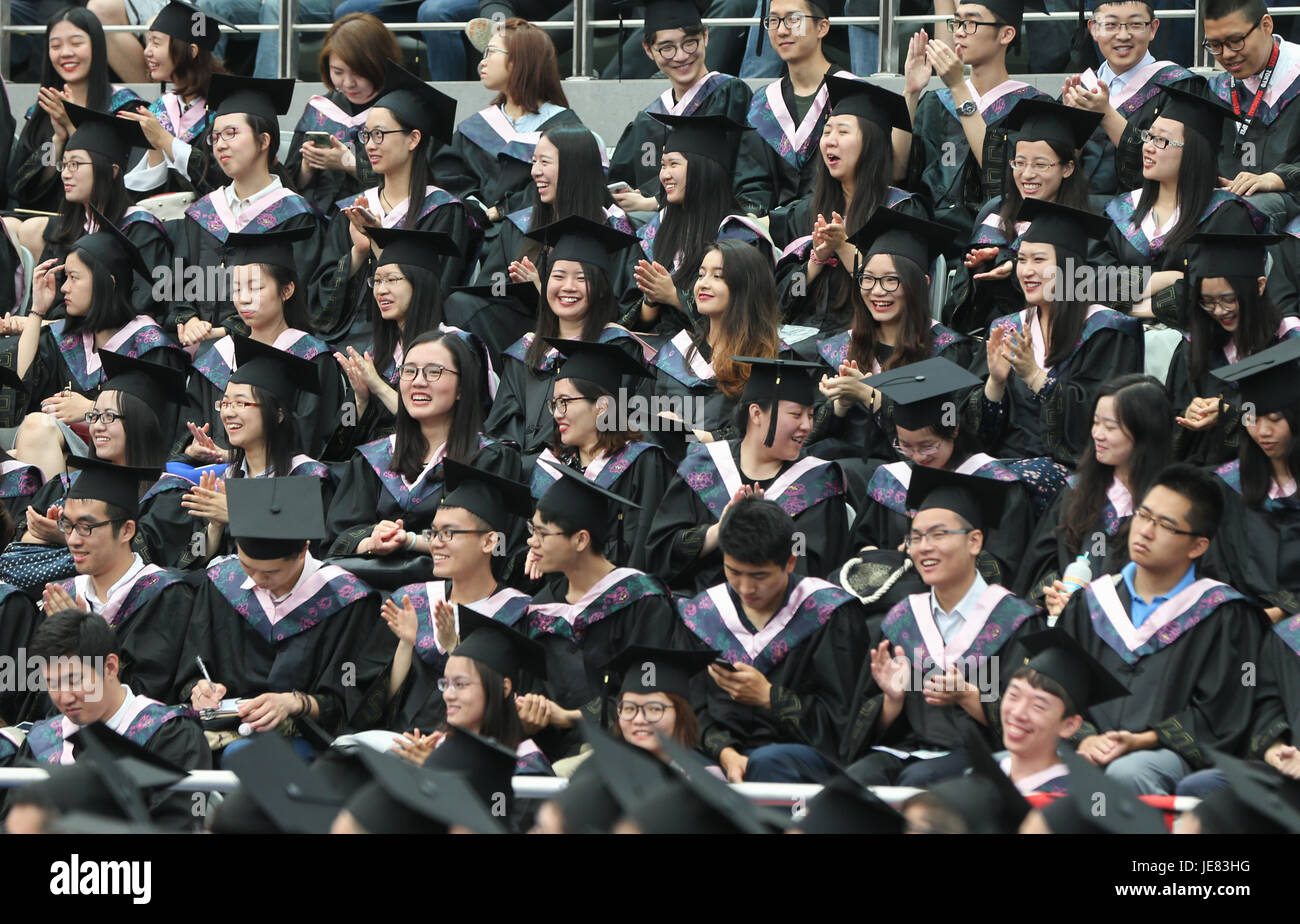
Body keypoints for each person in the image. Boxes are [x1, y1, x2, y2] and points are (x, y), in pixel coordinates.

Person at [1048, 463, 1268, 795]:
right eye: (1144, 515)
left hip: (1162, 753)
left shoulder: (1222, 614)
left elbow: (1222, 712)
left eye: (1165, 525)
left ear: (1197, 546)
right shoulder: (1093, 602)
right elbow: (1059, 686)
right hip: (1086, 741)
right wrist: (1087, 737)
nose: (1146, 531)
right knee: (1019, 762)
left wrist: (1142, 740)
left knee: (1127, 773)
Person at [841, 468, 1044, 788]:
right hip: (902, 751)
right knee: (853, 784)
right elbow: (863, 728)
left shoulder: (1015, 620)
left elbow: (1032, 719)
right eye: (916, 537)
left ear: (974, 541)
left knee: (916, 782)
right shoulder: (901, 620)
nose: (924, 547)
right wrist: (892, 701)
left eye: (938, 535)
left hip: (980, 756)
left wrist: (968, 696)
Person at [179, 476, 383, 764]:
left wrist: (295, 703)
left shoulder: (347, 601)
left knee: (248, 757)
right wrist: (198, 688)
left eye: (271, 573)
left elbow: (350, 700)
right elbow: (192, 664)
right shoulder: (223, 584)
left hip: (302, 736)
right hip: (222, 727)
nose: (257, 581)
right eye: (247, 566)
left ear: (303, 551)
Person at [677, 496, 869, 783]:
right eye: (734, 572)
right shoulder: (703, 614)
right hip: (717, 750)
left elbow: (846, 722)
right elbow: (690, 705)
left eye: (759, 576)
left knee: (766, 763)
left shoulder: (829, 614)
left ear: (790, 562)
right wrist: (726, 753)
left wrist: (770, 698)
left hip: (801, 754)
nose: (745, 588)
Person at [521, 464, 698, 763]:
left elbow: (656, 692)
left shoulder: (641, 600)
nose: (530, 542)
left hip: (626, 752)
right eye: (531, 530)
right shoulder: (541, 608)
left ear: (580, 540)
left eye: (542, 534)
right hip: (554, 753)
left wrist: (573, 717)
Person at [350, 461, 532, 736]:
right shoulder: (411, 602)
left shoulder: (515, 616)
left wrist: (454, 650)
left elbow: (505, 717)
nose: (435, 542)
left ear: (489, 542)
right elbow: (372, 706)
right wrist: (406, 645)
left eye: (448, 533)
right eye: (433, 532)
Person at [644, 356, 850, 593]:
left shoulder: (817, 482)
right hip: (702, 613)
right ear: (756, 414)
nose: (806, 425)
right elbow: (660, 554)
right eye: (796, 414)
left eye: (811, 415)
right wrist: (717, 532)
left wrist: (768, 536)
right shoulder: (703, 467)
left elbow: (817, 564)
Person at [310, 61, 478, 348]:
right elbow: (319, 305)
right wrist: (358, 253)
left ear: (413, 139)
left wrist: (379, 247)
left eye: (379, 134)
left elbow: (437, 295)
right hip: (349, 338)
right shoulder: (351, 211)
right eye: (365, 136)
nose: (369, 146)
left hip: (411, 344)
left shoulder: (444, 212)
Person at [443, 123, 635, 365]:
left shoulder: (614, 230)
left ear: (574, 168)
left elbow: (624, 311)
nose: (535, 171)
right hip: (523, 332)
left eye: (544, 162)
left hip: (587, 341)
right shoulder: (520, 226)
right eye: (534, 162)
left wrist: (542, 289)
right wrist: (516, 288)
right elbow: (491, 290)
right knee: (463, 306)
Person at [10, 208, 186, 466]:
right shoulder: (67, 340)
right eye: (64, 277)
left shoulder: (150, 347)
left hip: (122, 473)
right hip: (68, 463)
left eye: (73, 278)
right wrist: (37, 311)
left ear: (109, 282)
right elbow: (17, 389)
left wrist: (91, 410)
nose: (65, 288)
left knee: (37, 428)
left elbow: (157, 428)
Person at [326, 329, 521, 560]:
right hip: (372, 584)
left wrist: (409, 542)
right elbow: (337, 539)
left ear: (461, 387)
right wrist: (372, 540)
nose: (418, 382)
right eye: (409, 371)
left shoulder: (489, 459)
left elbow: (492, 545)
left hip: (447, 589)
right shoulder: (375, 458)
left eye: (433, 372)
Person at [977, 200, 1144, 466]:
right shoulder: (1007, 328)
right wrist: (995, 383)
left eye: (1039, 259)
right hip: (1005, 466)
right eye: (1021, 260)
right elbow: (979, 436)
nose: (1027, 270)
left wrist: (1034, 376)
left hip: (1074, 474)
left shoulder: (1108, 331)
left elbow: (1102, 423)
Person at [10, 609, 210, 829]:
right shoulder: (42, 742)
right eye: (53, 684)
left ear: (110, 667)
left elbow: (185, 823)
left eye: (74, 680)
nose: (65, 697)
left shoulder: (172, 734)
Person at [165, 74, 324, 351]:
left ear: (264, 141)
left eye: (231, 133)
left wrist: (225, 331)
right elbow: (180, 281)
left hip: (268, 353)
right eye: (215, 137)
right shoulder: (203, 213)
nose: (220, 144)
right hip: (202, 356)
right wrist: (188, 319)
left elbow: (301, 296)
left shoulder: (295, 216)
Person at [848, 358, 1038, 587]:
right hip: (894, 602)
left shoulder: (998, 485)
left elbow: (1007, 565)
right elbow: (862, 546)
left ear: (954, 430)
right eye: (905, 446)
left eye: (928, 446)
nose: (917, 456)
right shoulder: (891, 481)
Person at [486, 217, 649, 468]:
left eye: (581, 278)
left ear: (602, 288)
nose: (568, 287)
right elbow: (502, 427)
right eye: (558, 276)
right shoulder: (526, 352)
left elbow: (624, 424)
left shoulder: (618, 348)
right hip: (522, 474)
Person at [814, 209, 974, 462]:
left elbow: (951, 431)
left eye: (891, 280)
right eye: (868, 279)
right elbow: (808, 436)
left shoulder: (945, 351)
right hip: (844, 469)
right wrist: (840, 405)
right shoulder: (840, 349)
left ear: (922, 283)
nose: (877, 292)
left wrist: (871, 396)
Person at [1098, 83, 1268, 320]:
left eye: (1162, 141)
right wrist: (1167, 278)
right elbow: (1091, 282)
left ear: (1194, 152)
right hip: (1120, 343)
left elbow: (1216, 290)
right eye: (1149, 136)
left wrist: (1137, 308)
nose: (1147, 147)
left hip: (1192, 344)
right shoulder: (1122, 210)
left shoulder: (1225, 215)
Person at [174, 228, 345, 462]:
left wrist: (237, 460)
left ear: (287, 290)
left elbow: (312, 439)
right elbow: (187, 434)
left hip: (279, 486)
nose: (243, 298)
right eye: (236, 289)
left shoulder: (312, 358)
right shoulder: (218, 357)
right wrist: (193, 451)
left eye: (255, 288)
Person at [769, 76, 922, 335]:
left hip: (864, 342)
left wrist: (843, 247)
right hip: (801, 341)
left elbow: (903, 292)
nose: (830, 140)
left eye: (843, 132)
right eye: (827, 132)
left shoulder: (900, 210)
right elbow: (786, 298)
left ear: (871, 143)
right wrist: (816, 260)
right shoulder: (808, 212)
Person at [38, 456, 196, 706]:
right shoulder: (63, 597)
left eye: (86, 527)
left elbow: (150, 693)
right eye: (67, 525)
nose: (72, 540)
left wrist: (84, 638)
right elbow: (40, 698)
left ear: (127, 530)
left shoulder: (164, 595)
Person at [177, 335, 335, 568]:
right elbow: (197, 560)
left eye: (241, 403)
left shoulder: (308, 476)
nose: (228, 413)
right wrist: (215, 526)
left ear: (278, 414)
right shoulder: (226, 478)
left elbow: (312, 548)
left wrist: (238, 513)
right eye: (226, 403)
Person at [1016, 374, 1173, 605]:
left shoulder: (1170, 506)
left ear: (1146, 432)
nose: (1097, 434)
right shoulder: (1077, 491)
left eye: (1110, 427)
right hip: (1068, 624)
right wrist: (1051, 594)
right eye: (1096, 422)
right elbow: (1040, 566)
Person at [901, 0, 1049, 240]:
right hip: (933, 238)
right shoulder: (936, 103)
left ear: (1006, 34)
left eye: (971, 23)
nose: (959, 31)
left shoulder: (1033, 107)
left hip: (998, 239)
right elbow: (899, 171)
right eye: (957, 22)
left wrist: (958, 86)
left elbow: (1004, 178)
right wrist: (911, 92)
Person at [607, 0, 770, 216]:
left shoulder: (731, 96)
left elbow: (745, 179)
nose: (681, 56)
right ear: (648, 50)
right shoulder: (647, 121)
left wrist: (656, 203)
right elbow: (617, 182)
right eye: (667, 48)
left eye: (690, 43)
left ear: (705, 36)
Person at [955, 98, 1100, 333]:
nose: (1027, 174)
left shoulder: (1084, 223)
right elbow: (960, 295)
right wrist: (978, 268)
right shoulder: (993, 212)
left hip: (1053, 335)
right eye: (1019, 163)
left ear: (1067, 168)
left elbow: (1096, 286)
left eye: (1041, 164)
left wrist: (1015, 269)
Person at [21, 103, 172, 321]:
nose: (65, 174)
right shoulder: (68, 228)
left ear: (111, 171)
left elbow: (145, 303)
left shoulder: (140, 229)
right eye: (64, 165)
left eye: (75, 164)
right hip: (66, 337)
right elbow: (53, 301)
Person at [433, 18, 584, 232]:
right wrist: (474, 208)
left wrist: (503, 209)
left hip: (535, 236)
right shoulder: (477, 128)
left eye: (491, 52)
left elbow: (570, 185)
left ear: (519, 61)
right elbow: (448, 179)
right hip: (475, 234)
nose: (482, 62)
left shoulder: (563, 127)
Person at [531, 340, 672, 568]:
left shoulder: (643, 463)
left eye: (565, 402)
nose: (557, 414)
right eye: (555, 403)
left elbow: (646, 548)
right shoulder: (554, 469)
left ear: (603, 406)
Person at [1168, 231, 1298, 467]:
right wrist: (1189, 416)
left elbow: (1292, 419)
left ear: (1259, 286)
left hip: (1272, 475)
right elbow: (1174, 416)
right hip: (1208, 473)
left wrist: (1233, 414)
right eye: (1207, 301)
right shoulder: (1195, 346)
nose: (1218, 311)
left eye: (1228, 299)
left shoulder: (1288, 342)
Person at [629, 113, 757, 338]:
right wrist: (651, 297)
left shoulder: (737, 234)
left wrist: (674, 296)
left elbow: (745, 314)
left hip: (713, 355)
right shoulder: (657, 229)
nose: (664, 175)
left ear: (703, 169)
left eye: (673, 164)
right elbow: (641, 319)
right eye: (662, 165)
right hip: (658, 350)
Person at [7, 7, 145, 214]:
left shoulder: (124, 109)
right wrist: (57, 141)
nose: (65, 53)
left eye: (76, 43)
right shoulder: (44, 110)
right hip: (46, 221)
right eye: (55, 45)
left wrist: (73, 129)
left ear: (97, 46)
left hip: (103, 227)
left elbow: (128, 184)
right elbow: (21, 189)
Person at [650, 239, 784, 450]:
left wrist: (706, 438)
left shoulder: (769, 362)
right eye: (701, 274)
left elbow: (770, 432)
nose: (703, 283)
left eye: (717, 276)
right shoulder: (676, 353)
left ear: (747, 286)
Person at [1060, 1, 1194, 198]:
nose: (1123, 36)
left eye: (1135, 24)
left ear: (1153, 28)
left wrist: (1105, 114)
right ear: (1094, 30)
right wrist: (1071, 127)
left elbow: (1178, 166)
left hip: (1145, 213)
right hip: (1079, 211)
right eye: (1111, 25)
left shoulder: (1177, 87)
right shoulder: (1080, 89)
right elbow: (1057, 166)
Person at [1208, 338, 1300, 624]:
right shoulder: (1229, 485)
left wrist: (1282, 612)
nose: (1262, 431)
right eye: (1252, 419)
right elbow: (1216, 568)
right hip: (1240, 626)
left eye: (1274, 418)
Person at [286, 13, 401, 217]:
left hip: (377, 222)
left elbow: (409, 184)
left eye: (358, 73)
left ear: (379, 65)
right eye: (338, 72)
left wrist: (349, 163)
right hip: (316, 227)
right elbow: (290, 186)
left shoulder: (401, 112)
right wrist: (307, 167)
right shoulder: (320, 110)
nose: (348, 83)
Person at [745, 0, 852, 210]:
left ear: (822, 27)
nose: (782, 30)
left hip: (832, 224)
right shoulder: (762, 102)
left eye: (794, 20)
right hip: (770, 230)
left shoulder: (851, 93)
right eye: (774, 20)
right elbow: (752, 182)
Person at [119, 0, 230, 200]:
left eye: (156, 42)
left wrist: (164, 139)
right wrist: (154, 147)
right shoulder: (159, 110)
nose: (147, 52)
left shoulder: (225, 110)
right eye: (147, 42)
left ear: (191, 51)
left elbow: (221, 179)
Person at [1203, 0, 1300, 224]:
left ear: (1266, 25)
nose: (1226, 55)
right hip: (1232, 199)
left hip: (1289, 197)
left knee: (1233, 216)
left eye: (1236, 41)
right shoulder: (1220, 89)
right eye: (1215, 45)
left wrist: (1278, 178)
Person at [1001, 627, 1130, 795]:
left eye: (1038, 706)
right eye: (1013, 695)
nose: (1018, 713)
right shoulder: (986, 771)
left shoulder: (1078, 800)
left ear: (1069, 725)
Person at [605, 645, 717, 761]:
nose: (639, 720)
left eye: (654, 709)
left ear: (681, 714)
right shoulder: (597, 774)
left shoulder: (706, 776)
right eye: (629, 708)